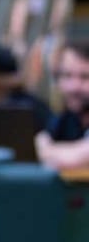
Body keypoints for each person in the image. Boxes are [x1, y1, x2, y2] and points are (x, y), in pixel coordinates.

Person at [36, 39, 89, 171]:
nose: (74, 87)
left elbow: (74, 160)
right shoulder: (66, 118)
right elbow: (39, 142)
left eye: (85, 77)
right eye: (67, 76)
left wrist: (49, 151)